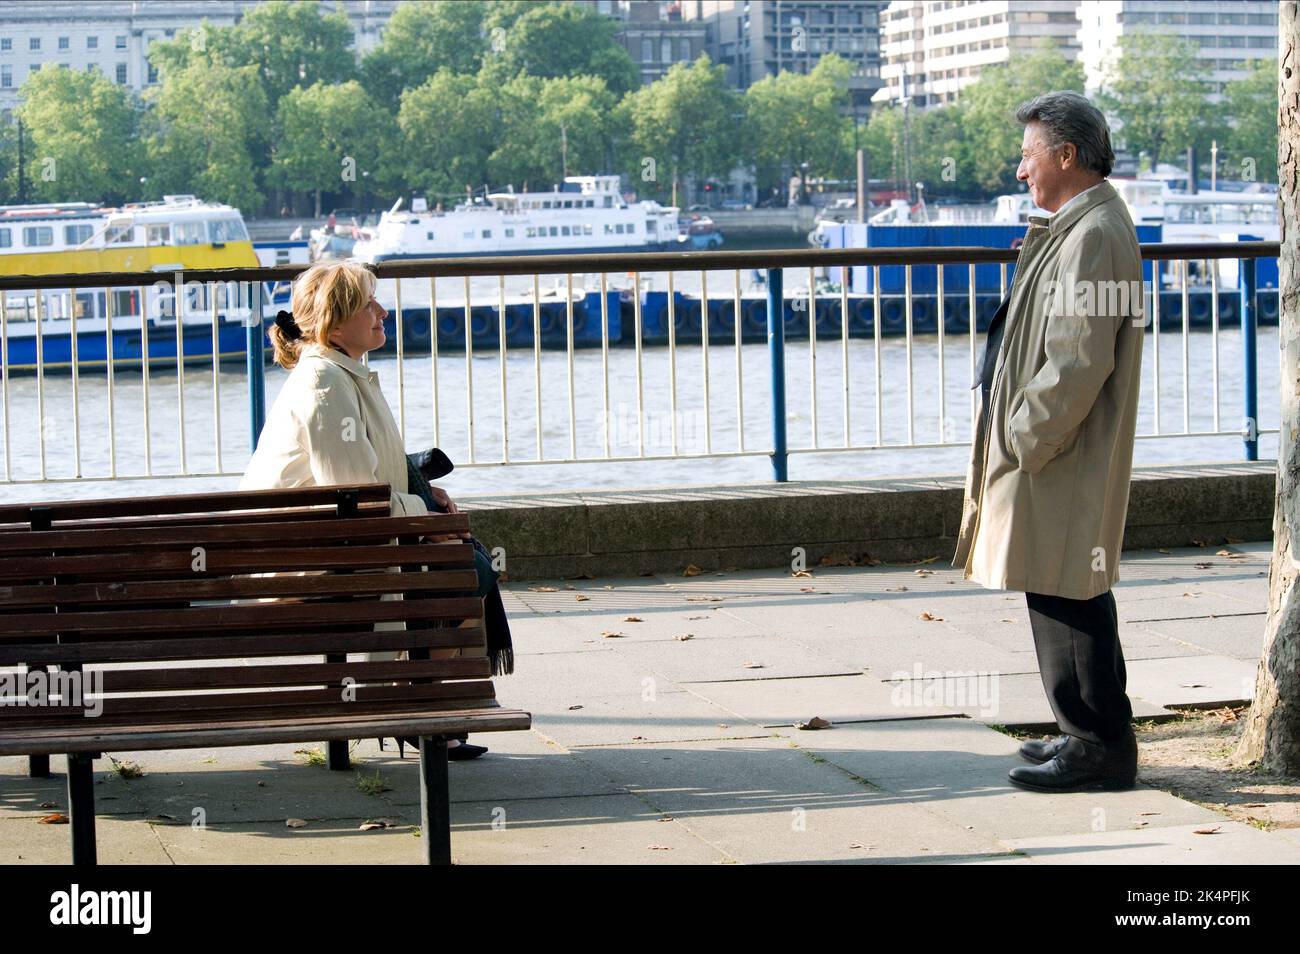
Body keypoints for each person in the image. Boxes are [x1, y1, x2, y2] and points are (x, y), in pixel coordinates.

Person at [952, 91, 1145, 792]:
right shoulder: (1081, 226)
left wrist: (1027, 438)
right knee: (1066, 587)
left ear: (1067, 156)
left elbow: (1077, 359)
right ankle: (1090, 735)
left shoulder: (1092, 234)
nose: (1019, 169)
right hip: (1058, 445)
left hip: (1058, 447)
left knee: (1067, 591)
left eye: (1029, 155)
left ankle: (1096, 747)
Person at [240, 259, 492, 760]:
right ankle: (415, 706)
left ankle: (427, 706)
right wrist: (421, 512)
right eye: (368, 304)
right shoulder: (326, 385)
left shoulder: (339, 374)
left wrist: (424, 498)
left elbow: (368, 480)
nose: (382, 311)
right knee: (458, 572)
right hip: (306, 568)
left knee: (460, 566)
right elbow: (356, 500)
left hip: (319, 551)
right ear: (334, 324)